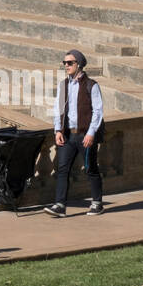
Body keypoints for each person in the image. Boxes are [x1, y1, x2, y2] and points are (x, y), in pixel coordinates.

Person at [44, 49, 104, 217]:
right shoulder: (63, 85)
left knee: (91, 168)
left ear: (79, 64)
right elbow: (58, 109)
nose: (66, 66)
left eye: (70, 63)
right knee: (62, 169)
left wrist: (91, 133)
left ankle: (97, 203)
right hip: (68, 134)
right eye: (65, 63)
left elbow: (97, 112)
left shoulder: (91, 85)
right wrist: (57, 130)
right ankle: (60, 205)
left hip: (85, 135)